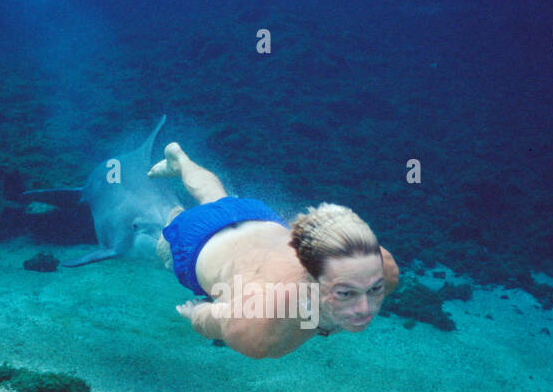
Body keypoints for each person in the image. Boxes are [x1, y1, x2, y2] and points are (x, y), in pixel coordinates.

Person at [149, 142, 399, 359]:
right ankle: (172, 214)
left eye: (373, 289)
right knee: (167, 248)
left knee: (216, 198)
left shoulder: (382, 268)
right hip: (198, 241)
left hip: (257, 218)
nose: (365, 308)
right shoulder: (258, 329)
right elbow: (210, 318)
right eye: (345, 294)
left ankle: (179, 159)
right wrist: (197, 312)